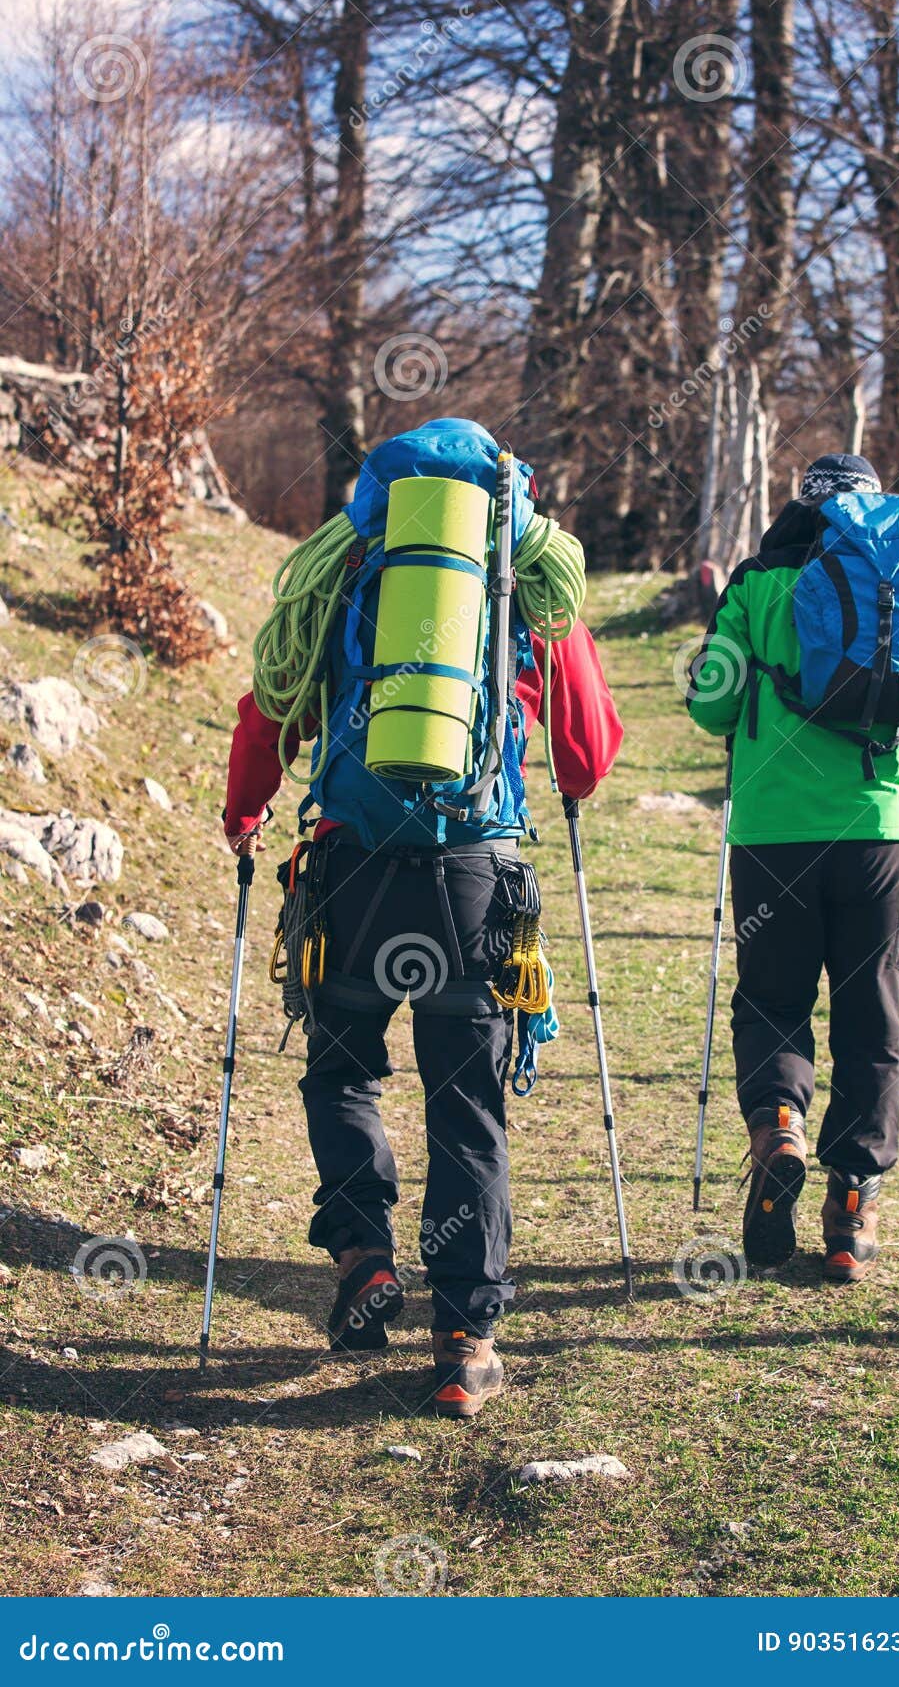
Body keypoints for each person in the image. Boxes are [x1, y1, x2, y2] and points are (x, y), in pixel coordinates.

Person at [224, 418, 622, 1415]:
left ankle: (363, 1254)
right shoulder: (526, 581)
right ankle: (464, 1339)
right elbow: (588, 753)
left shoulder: (346, 564)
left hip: (352, 869)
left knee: (343, 1064)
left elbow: (274, 699)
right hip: (474, 880)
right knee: (468, 1109)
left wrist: (244, 806)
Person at [686, 452, 899, 1282]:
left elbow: (708, 701)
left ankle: (779, 1121)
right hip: (880, 834)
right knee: (871, 1012)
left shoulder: (755, 585)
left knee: (773, 997)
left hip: (771, 833)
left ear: (801, 507)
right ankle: (850, 1206)